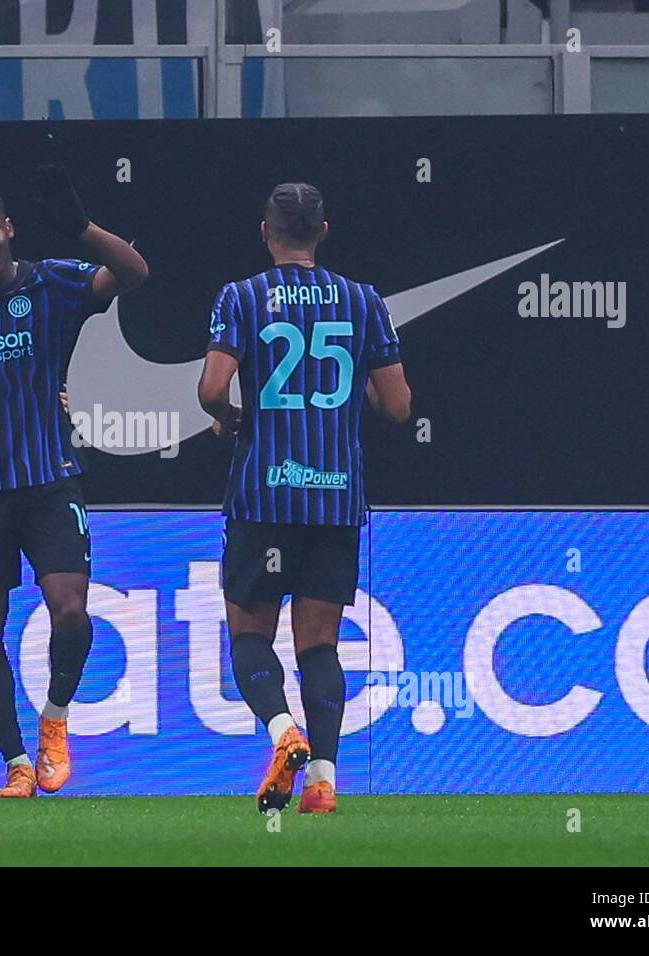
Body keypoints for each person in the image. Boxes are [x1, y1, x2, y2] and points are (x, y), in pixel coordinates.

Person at [0, 167, 149, 797]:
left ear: (9, 228)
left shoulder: (51, 281)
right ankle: (16, 762)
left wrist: (83, 229)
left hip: (50, 481)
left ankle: (55, 720)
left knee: (71, 615)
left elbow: (134, 275)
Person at [197, 182, 412, 814]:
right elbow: (399, 407)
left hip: (264, 495)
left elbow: (211, 390)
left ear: (265, 232)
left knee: (248, 632)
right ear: (323, 231)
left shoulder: (242, 296)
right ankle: (323, 780)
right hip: (335, 499)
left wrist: (231, 417)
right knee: (318, 644)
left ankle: (280, 730)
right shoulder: (363, 301)